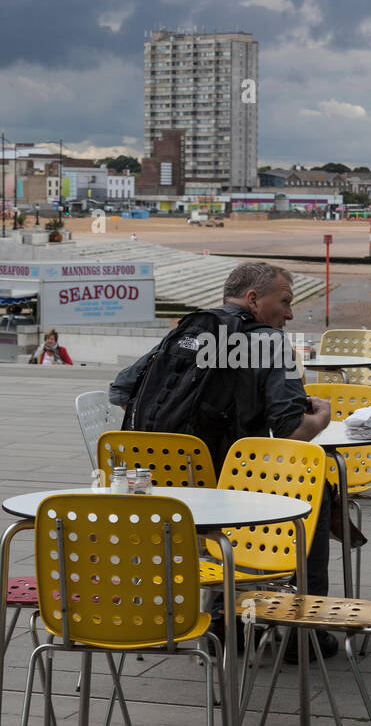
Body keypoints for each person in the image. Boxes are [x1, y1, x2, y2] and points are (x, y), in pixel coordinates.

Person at [110, 262, 335, 658]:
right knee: (319, 491)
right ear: (253, 300)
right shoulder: (268, 341)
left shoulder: (187, 329)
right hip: (224, 490)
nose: (290, 314)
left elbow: (119, 390)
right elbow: (290, 433)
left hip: (155, 489)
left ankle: (223, 621)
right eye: (284, 302)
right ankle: (305, 633)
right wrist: (321, 417)